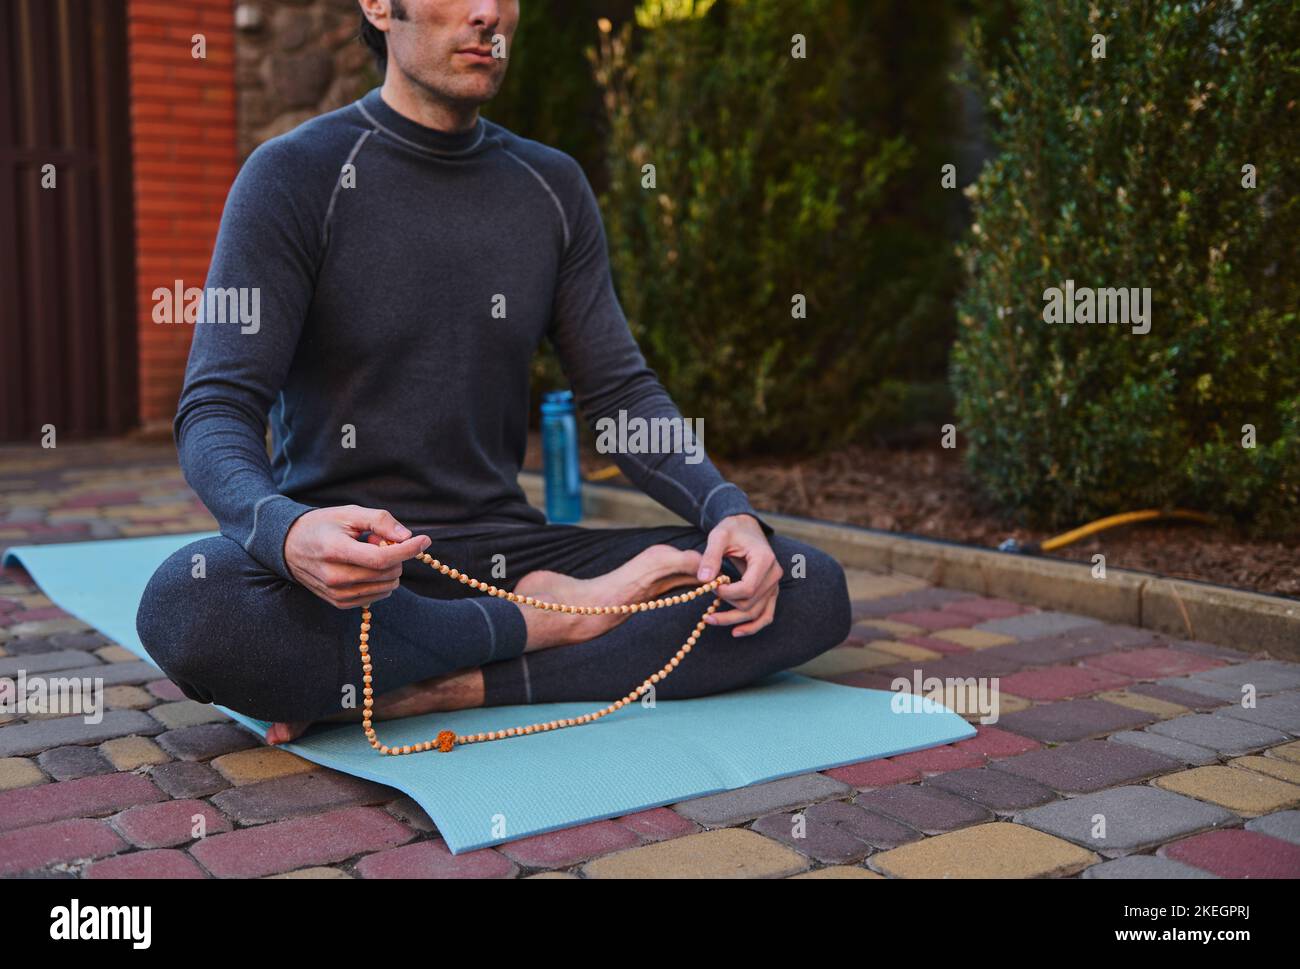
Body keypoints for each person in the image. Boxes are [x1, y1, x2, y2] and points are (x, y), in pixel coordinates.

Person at [135, 0, 852, 745]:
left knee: (800, 583)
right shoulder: (292, 175)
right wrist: (286, 532)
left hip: (514, 551)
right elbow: (217, 405)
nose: (489, 13)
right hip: (360, 572)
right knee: (193, 604)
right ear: (379, 6)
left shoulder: (550, 185)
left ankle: (462, 680)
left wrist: (725, 509)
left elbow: (619, 392)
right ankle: (546, 624)